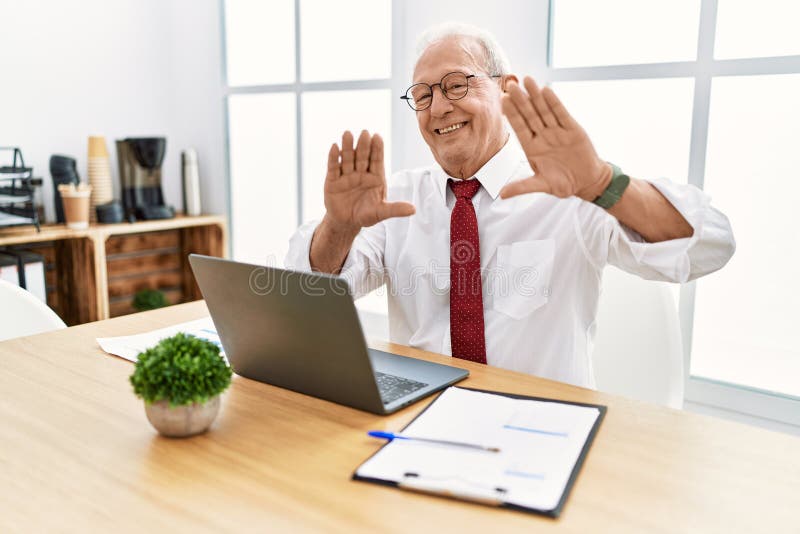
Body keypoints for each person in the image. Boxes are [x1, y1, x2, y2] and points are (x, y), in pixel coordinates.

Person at [285, 23, 735, 388]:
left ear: (506, 89)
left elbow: (710, 243)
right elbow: (304, 298)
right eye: (422, 95)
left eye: (456, 85)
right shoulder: (396, 200)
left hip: (541, 427)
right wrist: (340, 226)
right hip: (419, 419)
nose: (438, 107)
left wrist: (602, 182)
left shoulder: (570, 192)